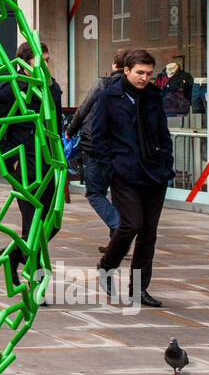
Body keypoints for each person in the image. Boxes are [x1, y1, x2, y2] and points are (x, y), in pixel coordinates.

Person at [89, 48, 175, 308]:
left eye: (149, 73)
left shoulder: (153, 96)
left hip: (154, 172)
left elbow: (163, 132)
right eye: (139, 72)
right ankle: (107, 265)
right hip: (125, 172)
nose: (144, 78)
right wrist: (110, 167)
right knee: (131, 224)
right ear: (126, 70)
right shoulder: (108, 97)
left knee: (149, 233)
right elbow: (98, 137)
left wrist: (166, 160)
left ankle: (138, 290)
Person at [0, 42, 63, 287]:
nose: (45, 64)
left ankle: (12, 255)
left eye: (47, 59)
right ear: (24, 62)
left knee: (52, 224)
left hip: (50, 165)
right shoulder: (9, 89)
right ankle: (37, 286)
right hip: (25, 166)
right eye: (40, 59)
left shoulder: (52, 87)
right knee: (33, 227)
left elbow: (57, 125)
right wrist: (11, 161)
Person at [66, 48, 127, 242]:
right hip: (122, 150)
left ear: (114, 65)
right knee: (118, 195)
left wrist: (70, 131)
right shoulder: (135, 89)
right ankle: (116, 243)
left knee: (94, 193)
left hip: (95, 147)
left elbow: (83, 109)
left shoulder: (103, 83)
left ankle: (119, 226)